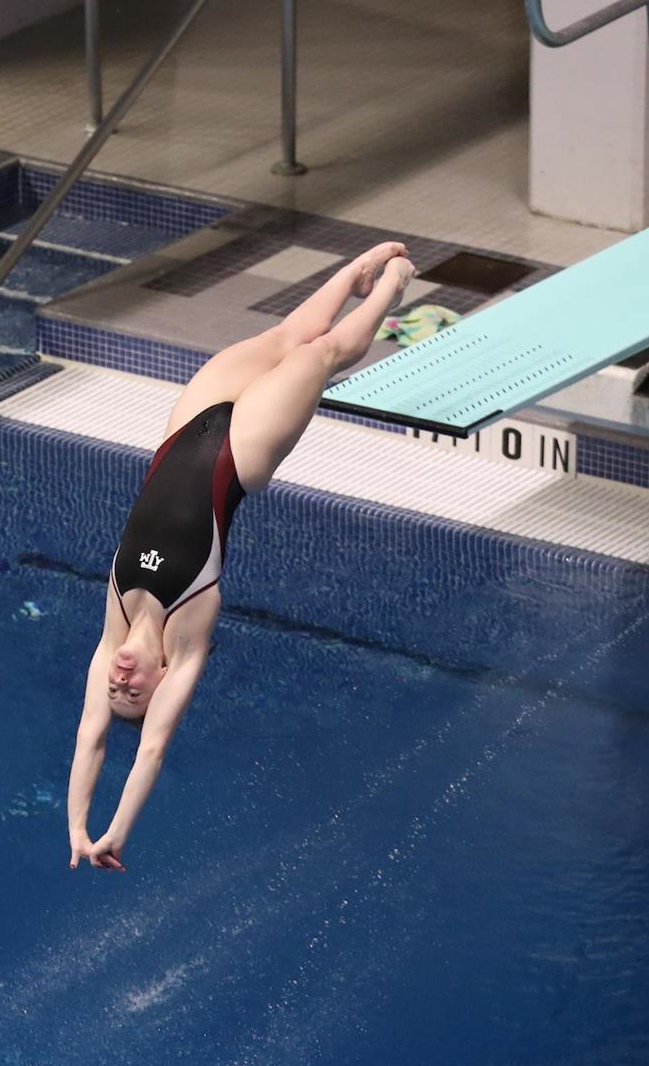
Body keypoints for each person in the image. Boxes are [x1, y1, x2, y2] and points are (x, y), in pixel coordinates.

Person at [67, 241, 415, 872]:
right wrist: (114, 833)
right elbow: (148, 751)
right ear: (160, 684)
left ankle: (354, 270)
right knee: (321, 353)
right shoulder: (189, 633)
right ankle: (394, 284)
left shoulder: (114, 620)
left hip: (180, 432)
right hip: (239, 458)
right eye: (133, 692)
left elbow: (91, 737)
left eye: (113, 687)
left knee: (286, 334)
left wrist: (76, 827)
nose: (120, 680)